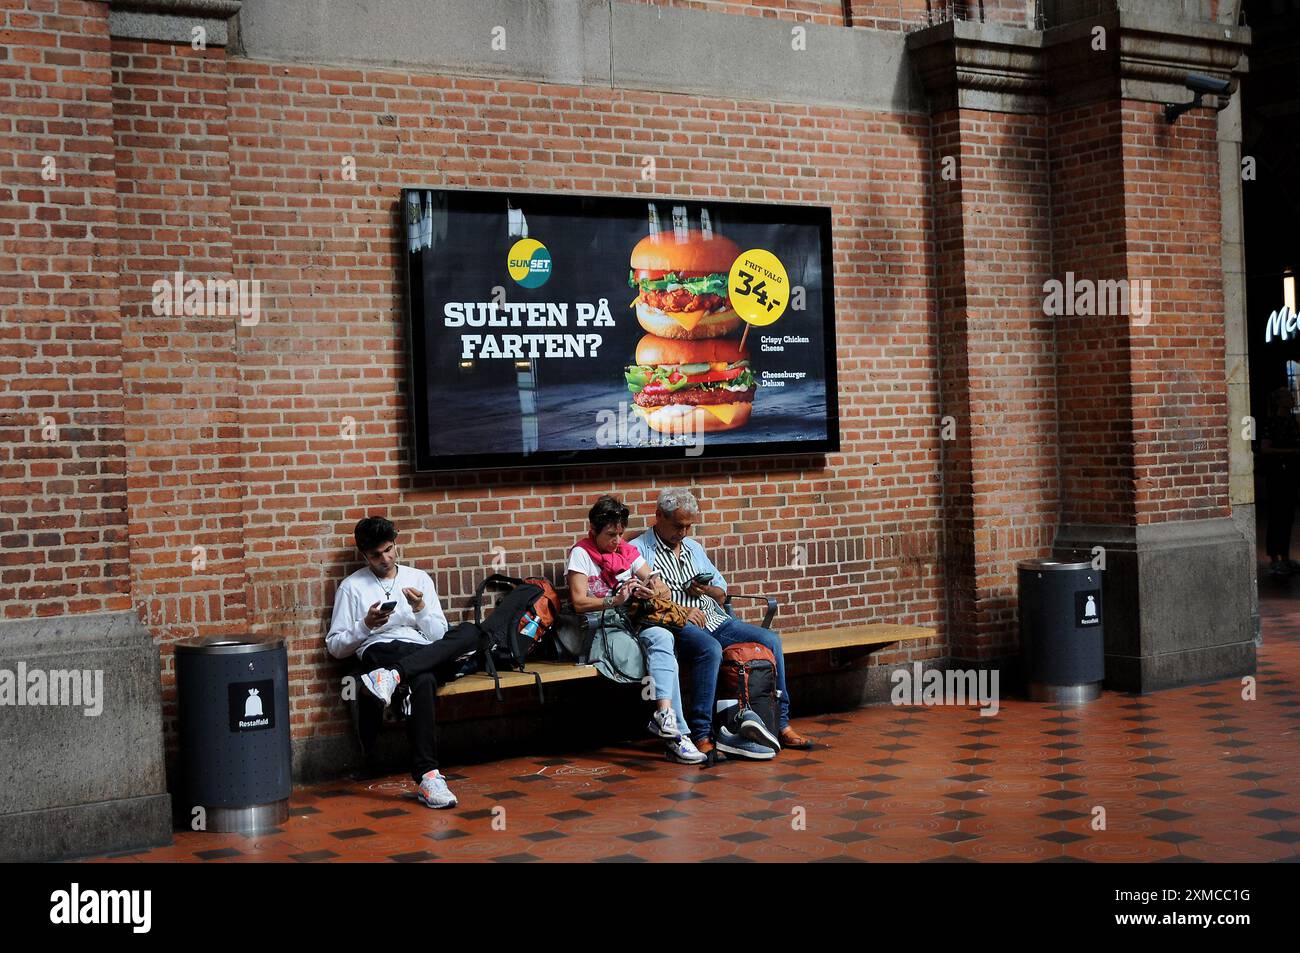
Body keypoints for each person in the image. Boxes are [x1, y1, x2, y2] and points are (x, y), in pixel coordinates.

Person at [630, 488, 813, 754]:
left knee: (771, 640)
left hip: (716, 619)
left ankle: (781, 723)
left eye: (688, 526)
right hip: (677, 623)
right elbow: (642, 602)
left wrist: (704, 590)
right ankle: (702, 733)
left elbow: (721, 593)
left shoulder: (694, 548)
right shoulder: (639, 551)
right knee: (710, 649)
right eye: (677, 525)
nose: (683, 532)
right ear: (658, 515)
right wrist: (681, 609)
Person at [326, 517, 477, 808]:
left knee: (470, 632)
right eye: (376, 555)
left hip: (420, 649)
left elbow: (438, 636)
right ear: (364, 556)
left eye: (389, 550)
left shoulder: (418, 578)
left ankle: (393, 676)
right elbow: (335, 647)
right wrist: (366, 625)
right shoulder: (351, 587)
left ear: (396, 544)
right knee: (425, 677)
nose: (385, 559)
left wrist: (420, 609)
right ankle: (429, 777)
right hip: (380, 648)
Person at [566, 495, 708, 765]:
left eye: (620, 533)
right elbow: (578, 601)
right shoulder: (581, 554)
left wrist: (651, 586)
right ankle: (679, 736)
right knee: (658, 658)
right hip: (600, 627)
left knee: (663, 637)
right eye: (610, 534)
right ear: (592, 532)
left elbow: (657, 582)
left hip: (632, 621)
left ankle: (665, 716)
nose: (617, 541)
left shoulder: (627, 553)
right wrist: (615, 600)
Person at [1260, 386, 1300, 576]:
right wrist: (1291, 452)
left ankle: (1285, 556)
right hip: (1277, 474)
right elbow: (1265, 449)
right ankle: (1274, 557)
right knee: (1277, 515)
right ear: (1279, 401)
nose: (1292, 399)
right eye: (1288, 396)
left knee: (1288, 516)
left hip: (1290, 473)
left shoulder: (1291, 421)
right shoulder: (1271, 422)